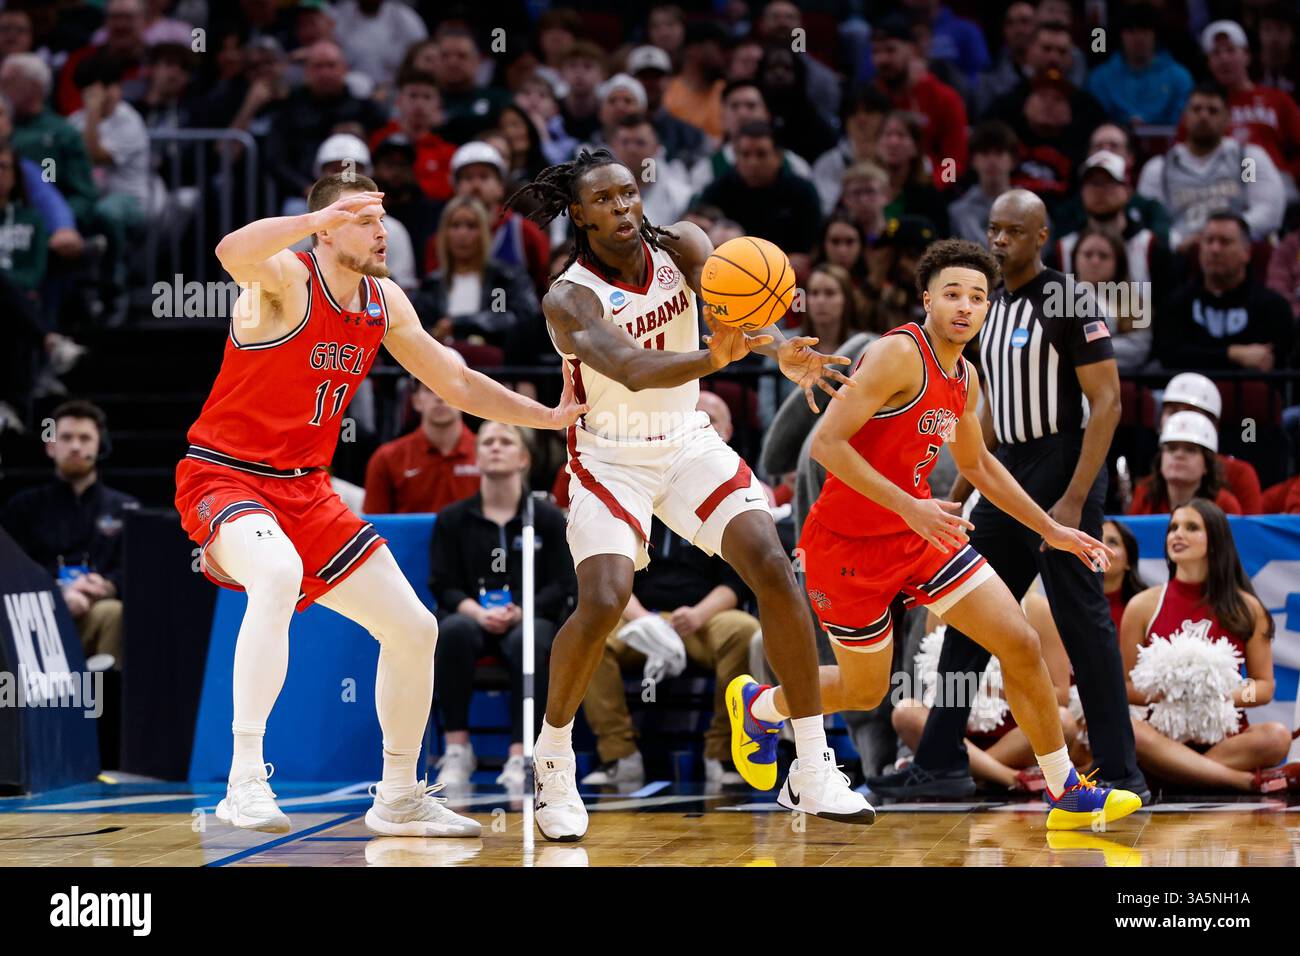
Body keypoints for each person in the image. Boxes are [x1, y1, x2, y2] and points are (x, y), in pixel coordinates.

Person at [173, 172, 587, 836]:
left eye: (383, 217)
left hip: (307, 488)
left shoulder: (382, 301)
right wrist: (317, 218)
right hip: (227, 476)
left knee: (414, 628)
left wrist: (547, 415)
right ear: (327, 225)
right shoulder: (284, 281)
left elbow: (453, 378)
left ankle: (397, 795)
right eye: (365, 218)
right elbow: (230, 251)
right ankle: (243, 778)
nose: (382, 230)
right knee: (275, 576)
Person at [505, 146, 874, 840]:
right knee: (606, 598)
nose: (622, 208)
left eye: (627, 194)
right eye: (604, 201)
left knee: (772, 563)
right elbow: (630, 365)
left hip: (684, 442)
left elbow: (741, 311)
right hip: (608, 457)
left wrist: (778, 346)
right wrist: (715, 357)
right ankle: (552, 762)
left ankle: (812, 763)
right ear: (579, 215)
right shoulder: (569, 296)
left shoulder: (685, 245)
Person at [727, 237, 1141, 830]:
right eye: (952, 294)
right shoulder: (898, 354)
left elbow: (978, 466)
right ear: (927, 298)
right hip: (848, 548)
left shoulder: (966, 379)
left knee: (1019, 641)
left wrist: (1052, 527)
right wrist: (910, 506)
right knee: (865, 690)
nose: (965, 306)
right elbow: (826, 444)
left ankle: (1065, 792)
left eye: (978, 297)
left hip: (921, 539)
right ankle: (761, 705)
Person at [867, 191, 1148, 805]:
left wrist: (1075, 499)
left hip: (1065, 460)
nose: (999, 241)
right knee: (970, 617)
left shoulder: (1068, 298)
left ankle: (1120, 769)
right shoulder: (984, 305)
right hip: (1008, 466)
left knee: (1082, 619)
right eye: (993, 230)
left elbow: (1108, 403)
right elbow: (982, 415)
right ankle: (939, 761)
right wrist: (963, 493)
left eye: (1013, 232)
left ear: (1043, 235)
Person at [428, 422, 574, 791]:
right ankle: (457, 750)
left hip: (528, 619)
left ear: (523, 458)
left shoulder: (547, 518)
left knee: (532, 639)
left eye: (505, 441)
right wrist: (477, 612)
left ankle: (521, 753)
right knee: (452, 631)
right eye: (487, 442)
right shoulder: (453, 519)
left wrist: (523, 610)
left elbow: (563, 584)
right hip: (473, 618)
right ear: (476, 457)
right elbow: (443, 586)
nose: (495, 447)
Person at [1120, 500, 1300, 792]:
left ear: (1215, 540)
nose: (1177, 534)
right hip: (1163, 735)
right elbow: (1125, 685)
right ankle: (1241, 781)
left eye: (1191, 528)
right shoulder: (1142, 606)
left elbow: (1263, 687)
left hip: (1226, 737)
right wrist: (1171, 693)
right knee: (1127, 728)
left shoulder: (1247, 608)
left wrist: (1224, 695)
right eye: (1174, 527)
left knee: (1277, 736)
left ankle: (1177, 774)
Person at [579, 508, 757, 789]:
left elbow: (736, 582)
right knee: (591, 637)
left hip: (702, 620)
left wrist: (699, 614)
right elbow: (610, 578)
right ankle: (619, 754)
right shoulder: (629, 512)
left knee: (745, 631)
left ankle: (722, 753)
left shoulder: (713, 512)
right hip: (640, 618)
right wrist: (644, 619)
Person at [0, 400, 137, 668]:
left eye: (85, 438)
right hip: (36, 610)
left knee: (113, 613)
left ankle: (104, 699)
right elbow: (11, 569)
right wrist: (57, 590)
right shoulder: (22, 507)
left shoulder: (125, 508)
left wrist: (107, 585)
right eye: (66, 437)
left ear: (99, 445)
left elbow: (136, 567)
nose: (76, 446)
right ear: (50, 446)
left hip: (96, 608)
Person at [1137, 84, 1284, 255]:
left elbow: (1266, 210)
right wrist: (1179, 242)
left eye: (1213, 111)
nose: (1204, 116)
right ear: (1184, 117)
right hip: (1181, 256)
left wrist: (1225, 235)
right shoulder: (1160, 168)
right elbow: (1152, 220)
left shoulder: (1246, 159)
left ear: (1227, 118)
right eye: (1196, 109)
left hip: (1237, 251)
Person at [1154, 213, 1295, 374]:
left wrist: (1202, 356)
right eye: (1208, 241)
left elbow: (1271, 362)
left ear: (1247, 252)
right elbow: (1169, 356)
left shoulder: (1273, 307)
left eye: (1225, 242)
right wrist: (1233, 354)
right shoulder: (1176, 303)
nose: (1215, 249)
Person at [412, 195, 542, 359]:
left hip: (493, 369)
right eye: (455, 225)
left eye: (471, 226)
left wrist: (459, 324)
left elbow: (503, 318)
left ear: (485, 232)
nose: (462, 233)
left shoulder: (500, 281)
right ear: (444, 233)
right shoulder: (432, 285)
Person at [696, 121, 822, 274]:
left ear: (779, 157)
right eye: (745, 154)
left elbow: (810, 251)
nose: (753, 162)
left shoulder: (802, 192)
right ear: (736, 157)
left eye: (761, 154)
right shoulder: (717, 192)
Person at [870, 14, 967, 189]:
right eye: (876, 52)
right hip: (879, 190)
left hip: (932, 190)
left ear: (912, 50)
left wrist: (935, 186)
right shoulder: (870, 98)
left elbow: (953, 160)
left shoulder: (944, 98)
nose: (882, 60)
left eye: (890, 50)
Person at [362, 373, 481, 515]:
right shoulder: (386, 458)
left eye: (449, 388)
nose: (440, 397)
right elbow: (375, 525)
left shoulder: (492, 453)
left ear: (465, 397)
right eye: (430, 389)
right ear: (416, 400)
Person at [1156, 372, 1263, 514]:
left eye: (1191, 412)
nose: (1181, 419)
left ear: (1214, 425)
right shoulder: (1149, 487)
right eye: (1172, 411)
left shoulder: (1240, 476)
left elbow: (1250, 531)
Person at [1086, 3, 1191, 127]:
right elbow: (1095, 122)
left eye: (1144, 31)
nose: (1138, 38)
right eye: (1131, 31)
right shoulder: (1099, 78)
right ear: (1121, 35)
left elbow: (1182, 123)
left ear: (1155, 35)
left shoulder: (1179, 77)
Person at [1129, 412, 1243, 515]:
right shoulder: (1144, 496)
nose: (1178, 455)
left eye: (1190, 450)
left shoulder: (1225, 504)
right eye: (1171, 449)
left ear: (1207, 465)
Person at [367, 69, 456, 202]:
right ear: (399, 101)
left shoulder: (448, 153)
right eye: (413, 96)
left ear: (438, 105)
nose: (419, 104)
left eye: (427, 97)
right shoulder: (377, 140)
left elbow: (444, 193)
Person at [948, 121, 1017, 245]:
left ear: (1012, 160)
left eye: (999, 153)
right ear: (973, 160)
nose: (992, 161)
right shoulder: (957, 212)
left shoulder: (1030, 209)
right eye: (985, 154)